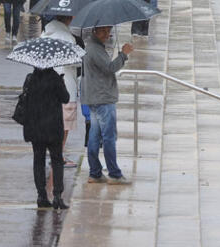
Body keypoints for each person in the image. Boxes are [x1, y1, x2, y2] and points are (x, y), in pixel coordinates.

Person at [82, 26, 134, 185]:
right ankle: (114, 174)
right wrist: (123, 54)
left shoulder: (92, 47)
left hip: (94, 98)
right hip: (103, 98)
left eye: (109, 31)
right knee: (108, 137)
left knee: (94, 136)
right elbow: (110, 68)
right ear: (95, 31)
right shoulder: (95, 49)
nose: (107, 34)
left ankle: (95, 173)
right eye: (103, 31)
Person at [20, 66, 70, 209]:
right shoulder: (55, 78)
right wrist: (62, 83)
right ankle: (57, 196)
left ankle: (41, 195)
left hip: (35, 127)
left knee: (38, 160)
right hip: (53, 128)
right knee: (57, 160)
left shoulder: (30, 79)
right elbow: (65, 98)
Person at [41, 14, 81, 168]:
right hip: (66, 85)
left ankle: (53, 153)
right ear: (70, 18)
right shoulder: (67, 37)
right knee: (65, 124)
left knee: (52, 122)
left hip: (47, 85)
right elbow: (74, 61)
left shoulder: (45, 34)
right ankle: (59, 155)